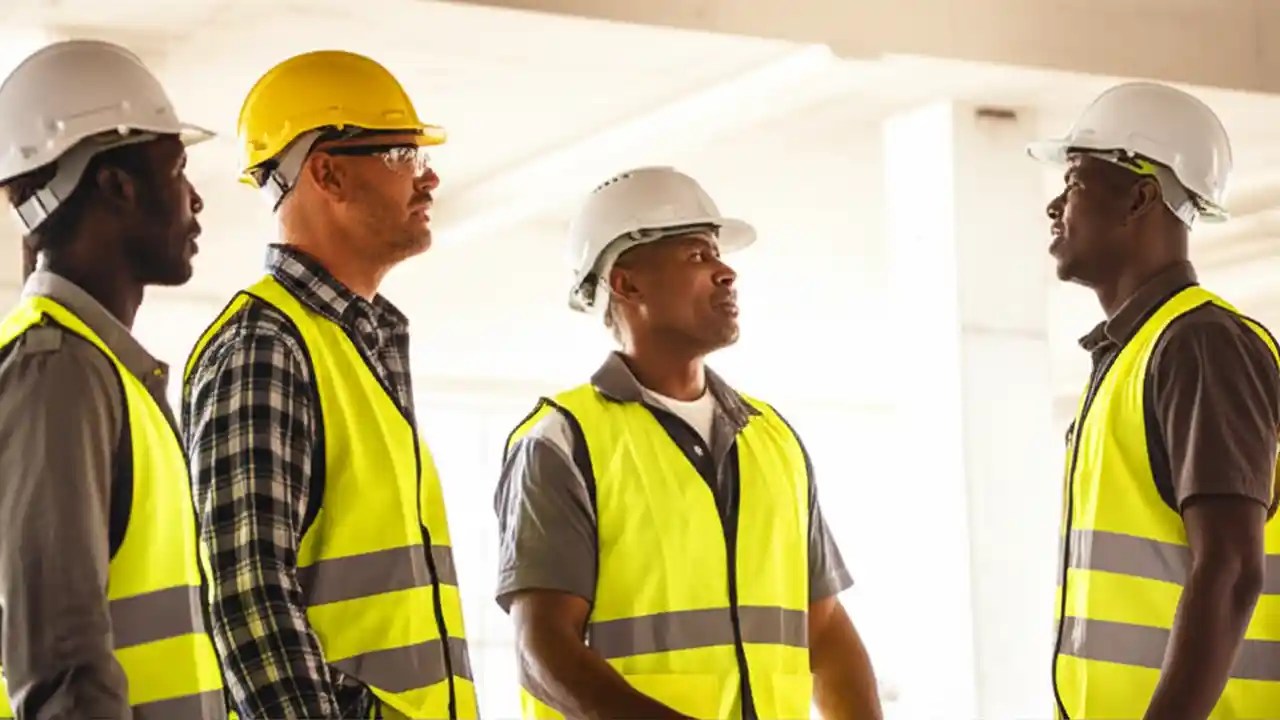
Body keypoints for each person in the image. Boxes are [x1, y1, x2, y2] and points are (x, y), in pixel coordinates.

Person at [495, 166, 883, 720]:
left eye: (721, 256)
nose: (726, 272)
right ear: (627, 283)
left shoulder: (771, 438)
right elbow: (544, 650)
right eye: (698, 256)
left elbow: (824, 627)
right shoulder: (563, 441)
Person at [181, 50, 477, 719]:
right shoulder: (265, 345)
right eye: (403, 156)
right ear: (327, 173)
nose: (428, 179)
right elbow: (249, 595)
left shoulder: (361, 344)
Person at [1029, 81, 1280, 719]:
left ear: (1141, 197)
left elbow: (1229, 571)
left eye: (1077, 181)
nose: (1055, 205)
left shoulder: (1201, 345)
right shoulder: (1132, 357)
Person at [0, 39, 224, 719]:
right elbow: (62, 668)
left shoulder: (101, 369)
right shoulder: (56, 370)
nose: (196, 198)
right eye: (178, 168)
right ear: (116, 186)